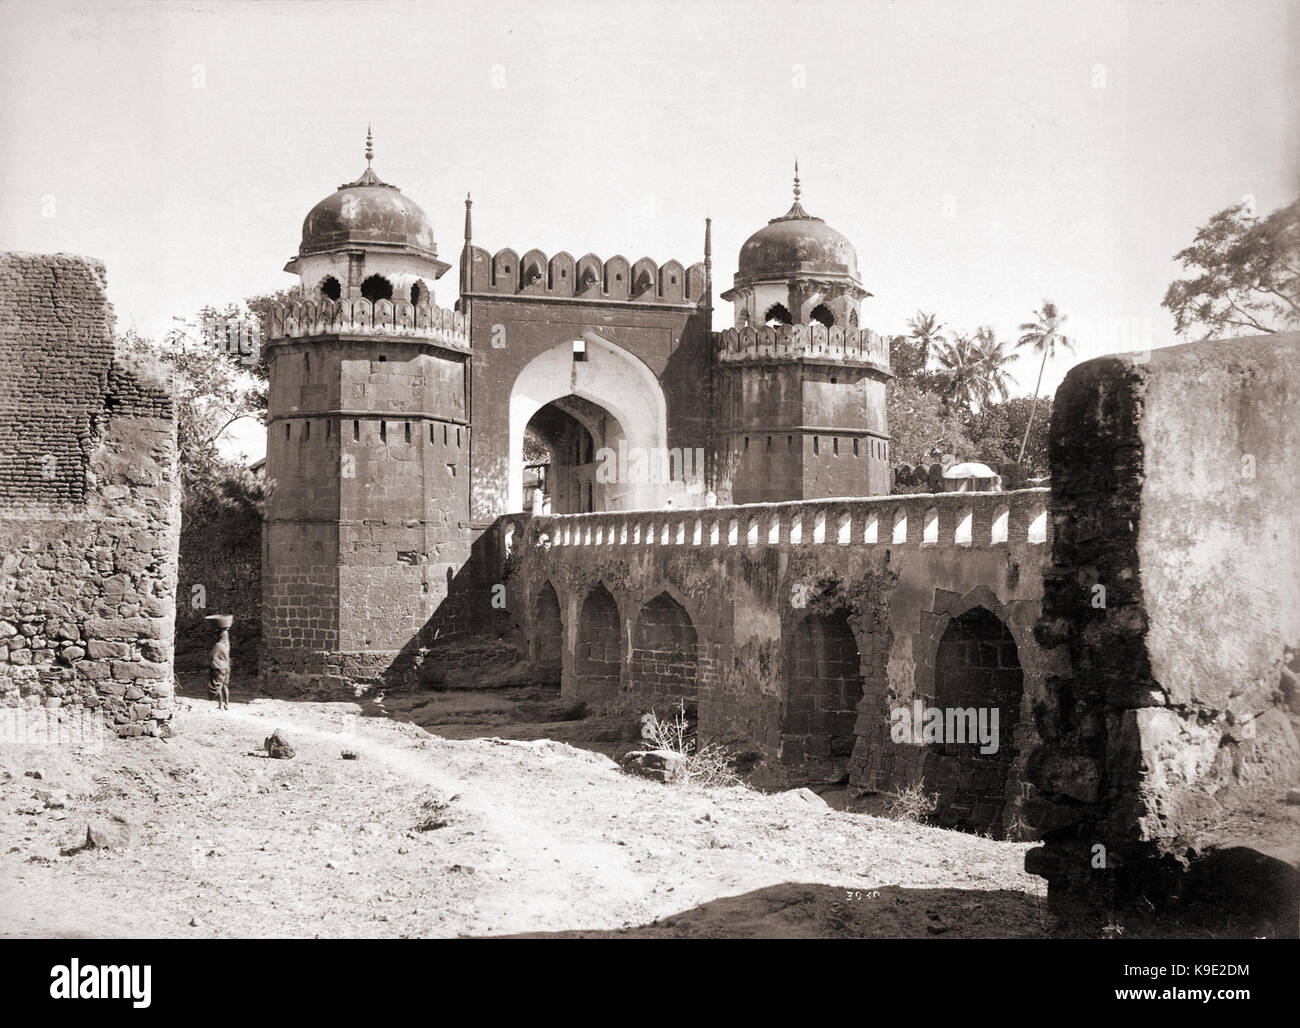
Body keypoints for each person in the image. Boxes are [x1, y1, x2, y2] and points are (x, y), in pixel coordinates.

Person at [208, 623, 231, 710]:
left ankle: (220, 705)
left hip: (219, 668)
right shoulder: (227, 645)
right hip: (226, 667)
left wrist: (211, 665)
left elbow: (213, 656)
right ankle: (227, 704)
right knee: (225, 686)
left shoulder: (218, 645)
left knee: (218, 687)